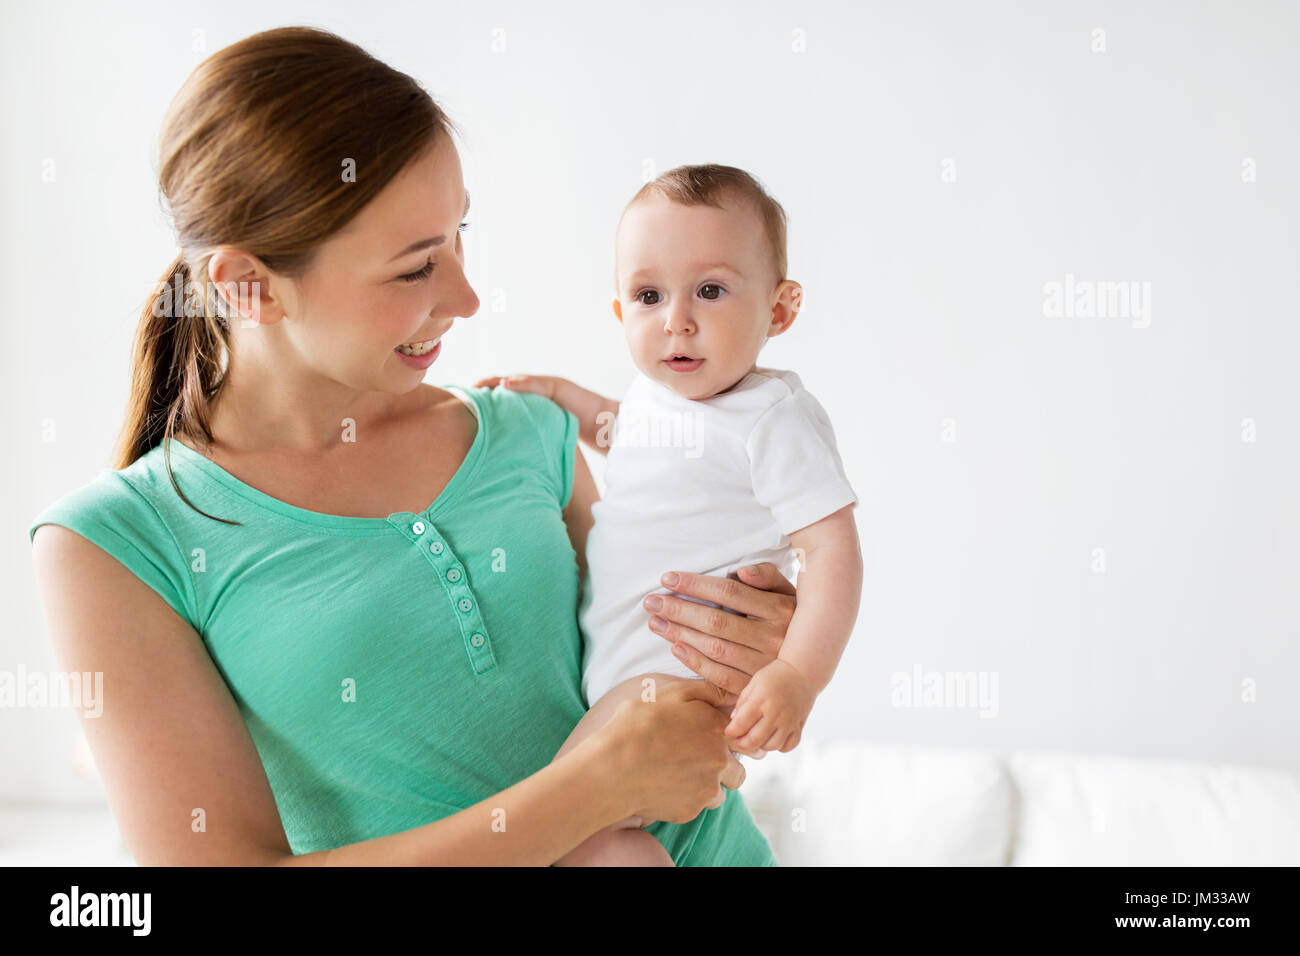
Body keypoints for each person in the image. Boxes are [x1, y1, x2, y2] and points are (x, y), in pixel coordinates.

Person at [27, 26, 797, 866]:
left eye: (459, 234)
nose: (466, 295)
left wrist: (751, 641)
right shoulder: (114, 548)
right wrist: (592, 791)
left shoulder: (526, 432)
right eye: (412, 268)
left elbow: (664, 679)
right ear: (249, 285)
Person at [479, 165, 863, 864]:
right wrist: (562, 394)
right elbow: (623, 435)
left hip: (677, 689)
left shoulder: (773, 419)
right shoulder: (660, 402)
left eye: (710, 291)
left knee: (555, 829)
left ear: (780, 310)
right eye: (649, 295)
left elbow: (834, 552)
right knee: (599, 842)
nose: (677, 319)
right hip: (626, 685)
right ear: (622, 314)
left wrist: (799, 676)